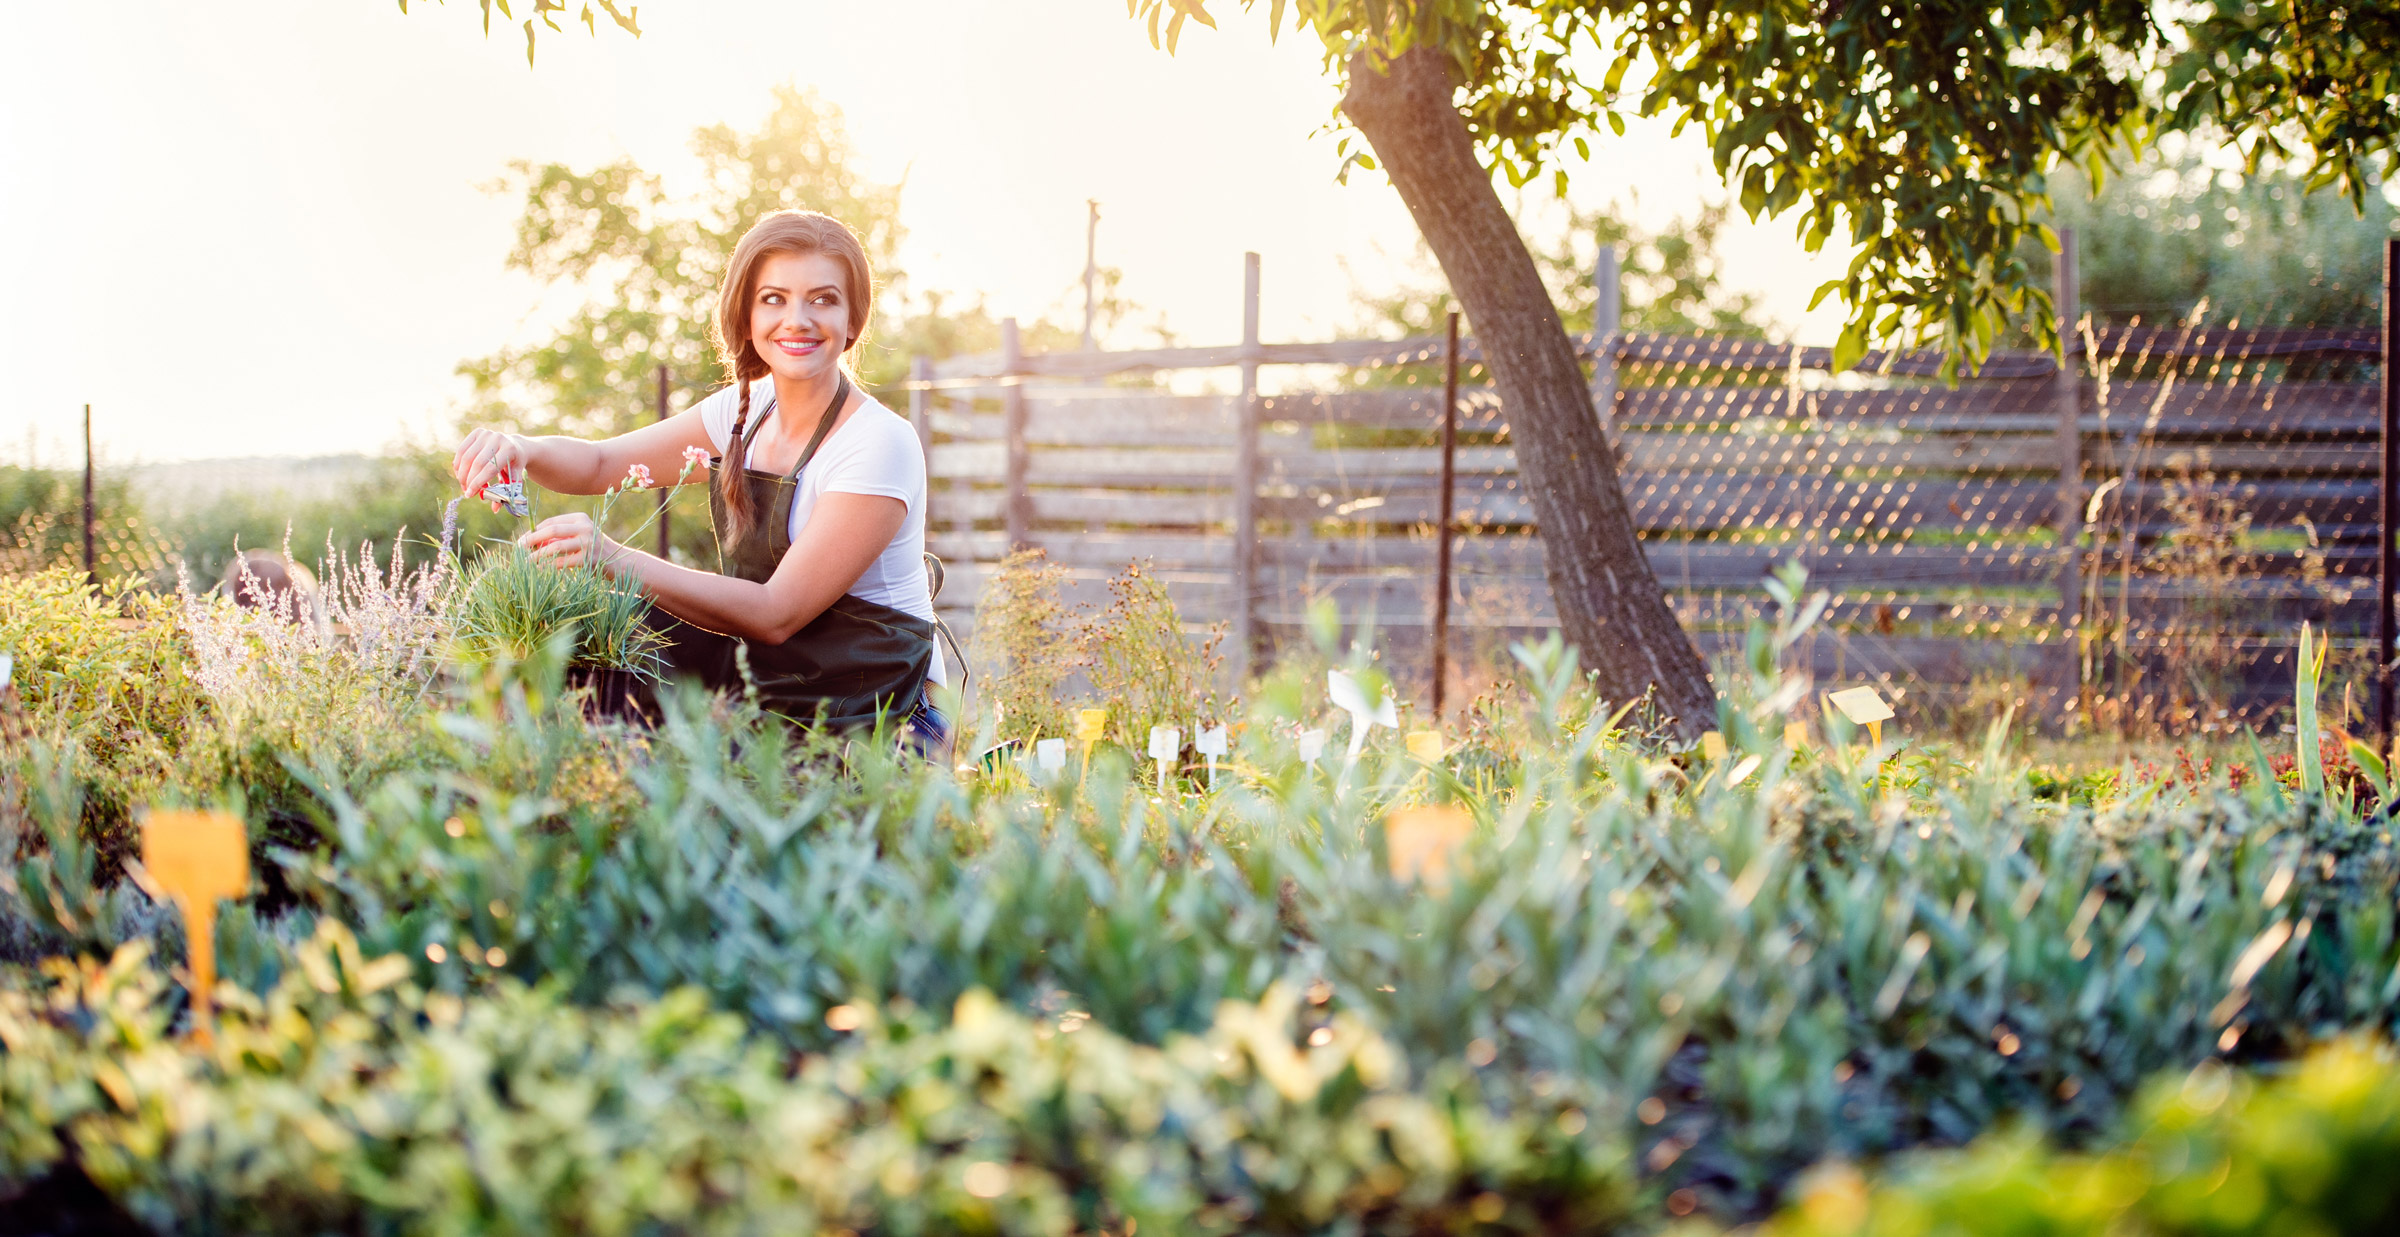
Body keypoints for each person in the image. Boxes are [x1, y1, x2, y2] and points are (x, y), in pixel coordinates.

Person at [450, 209, 948, 753]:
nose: (798, 319)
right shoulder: (742, 413)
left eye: (823, 299)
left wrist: (612, 557)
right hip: (769, 687)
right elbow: (597, 465)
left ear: (854, 320)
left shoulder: (879, 443)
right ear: (747, 312)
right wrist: (523, 447)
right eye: (774, 299)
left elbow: (776, 614)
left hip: (878, 716)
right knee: (578, 640)